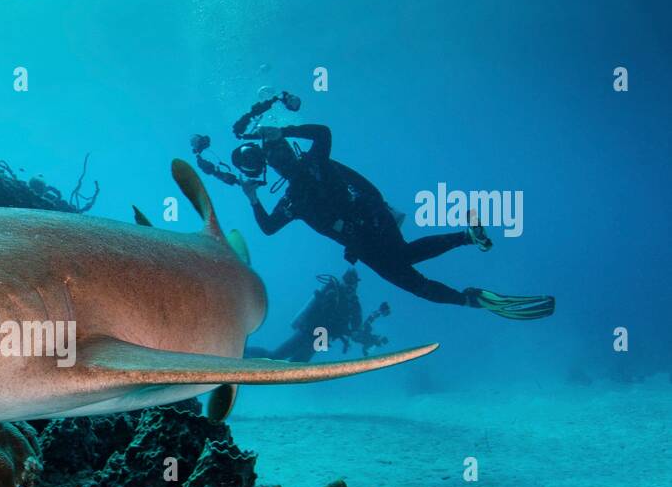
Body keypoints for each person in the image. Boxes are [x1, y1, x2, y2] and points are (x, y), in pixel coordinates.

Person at [190, 100, 555, 320]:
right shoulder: (314, 166)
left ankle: (469, 295)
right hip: (373, 219)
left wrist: (253, 197)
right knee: (406, 256)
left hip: (363, 237)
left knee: (414, 280)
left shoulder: (292, 199)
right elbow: (323, 133)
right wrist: (283, 130)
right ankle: (466, 246)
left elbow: (268, 227)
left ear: (271, 166)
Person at [246, 269, 390, 361]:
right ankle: (243, 353)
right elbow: (324, 317)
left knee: (296, 366)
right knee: (276, 356)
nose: (351, 287)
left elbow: (356, 330)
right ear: (344, 281)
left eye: (354, 284)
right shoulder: (332, 293)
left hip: (320, 340)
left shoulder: (354, 304)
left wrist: (371, 336)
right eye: (349, 282)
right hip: (307, 333)